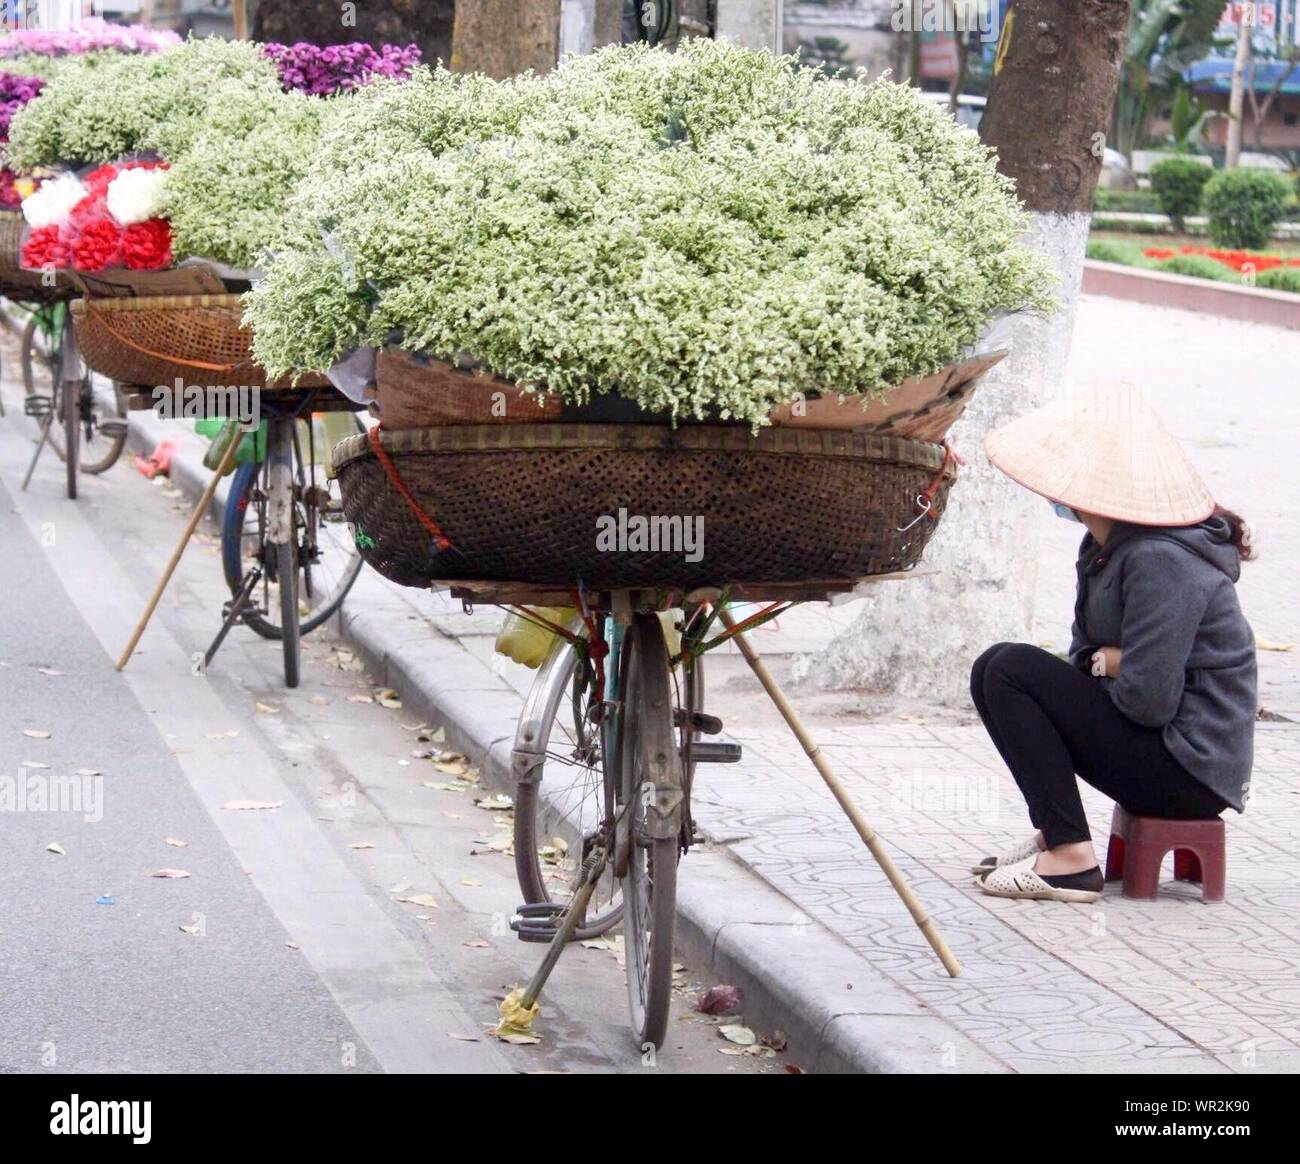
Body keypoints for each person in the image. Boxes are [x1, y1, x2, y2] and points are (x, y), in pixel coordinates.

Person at [969, 382, 1256, 903]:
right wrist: (1110, 664)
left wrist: (1123, 668)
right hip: (1157, 741)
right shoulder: (1104, 548)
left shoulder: (1160, 560)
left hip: (1189, 767)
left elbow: (1149, 701)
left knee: (1011, 668)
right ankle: (1058, 834)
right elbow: (1084, 656)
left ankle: (1072, 861)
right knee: (994, 665)